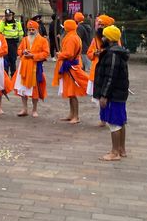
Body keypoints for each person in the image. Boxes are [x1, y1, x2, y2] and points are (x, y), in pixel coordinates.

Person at [92, 25, 130, 161]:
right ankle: (121, 149)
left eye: (104, 36)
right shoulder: (117, 52)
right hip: (119, 93)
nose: (102, 38)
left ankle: (115, 152)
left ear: (110, 39)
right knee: (121, 121)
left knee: (114, 123)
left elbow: (110, 77)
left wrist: (104, 95)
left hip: (114, 94)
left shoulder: (112, 55)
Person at [53, 19, 89, 124]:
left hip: (71, 68)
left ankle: (76, 116)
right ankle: (71, 114)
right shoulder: (73, 36)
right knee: (70, 92)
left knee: (72, 93)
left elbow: (69, 53)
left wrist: (60, 55)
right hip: (69, 66)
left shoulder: (71, 38)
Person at [14, 20, 50, 117]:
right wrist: (23, 52)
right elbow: (19, 50)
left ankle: (34, 110)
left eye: (33, 29)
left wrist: (33, 55)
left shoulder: (43, 40)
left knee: (35, 90)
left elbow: (46, 53)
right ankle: (24, 109)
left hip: (35, 68)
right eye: (29, 29)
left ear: (37, 30)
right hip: (23, 68)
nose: (31, 31)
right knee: (22, 89)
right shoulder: (25, 39)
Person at [87, 15, 115, 100]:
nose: (99, 27)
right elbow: (89, 54)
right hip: (96, 71)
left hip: (108, 71)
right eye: (98, 25)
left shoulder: (114, 39)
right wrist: (95, 53)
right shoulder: (95, 39)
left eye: (102, 25)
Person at [0, 9, 23, 77]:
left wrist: (20, 44)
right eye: (7, 16)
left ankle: (13, 76)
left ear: (12, 15)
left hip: (13, 43)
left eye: (9, 15)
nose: (8, 17)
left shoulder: (17, 23)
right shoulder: (3, 23)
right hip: (5, 43)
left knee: (13, 60)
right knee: (5, 61)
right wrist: (2, 22)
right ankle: (5, 77)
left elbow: (21, 33)